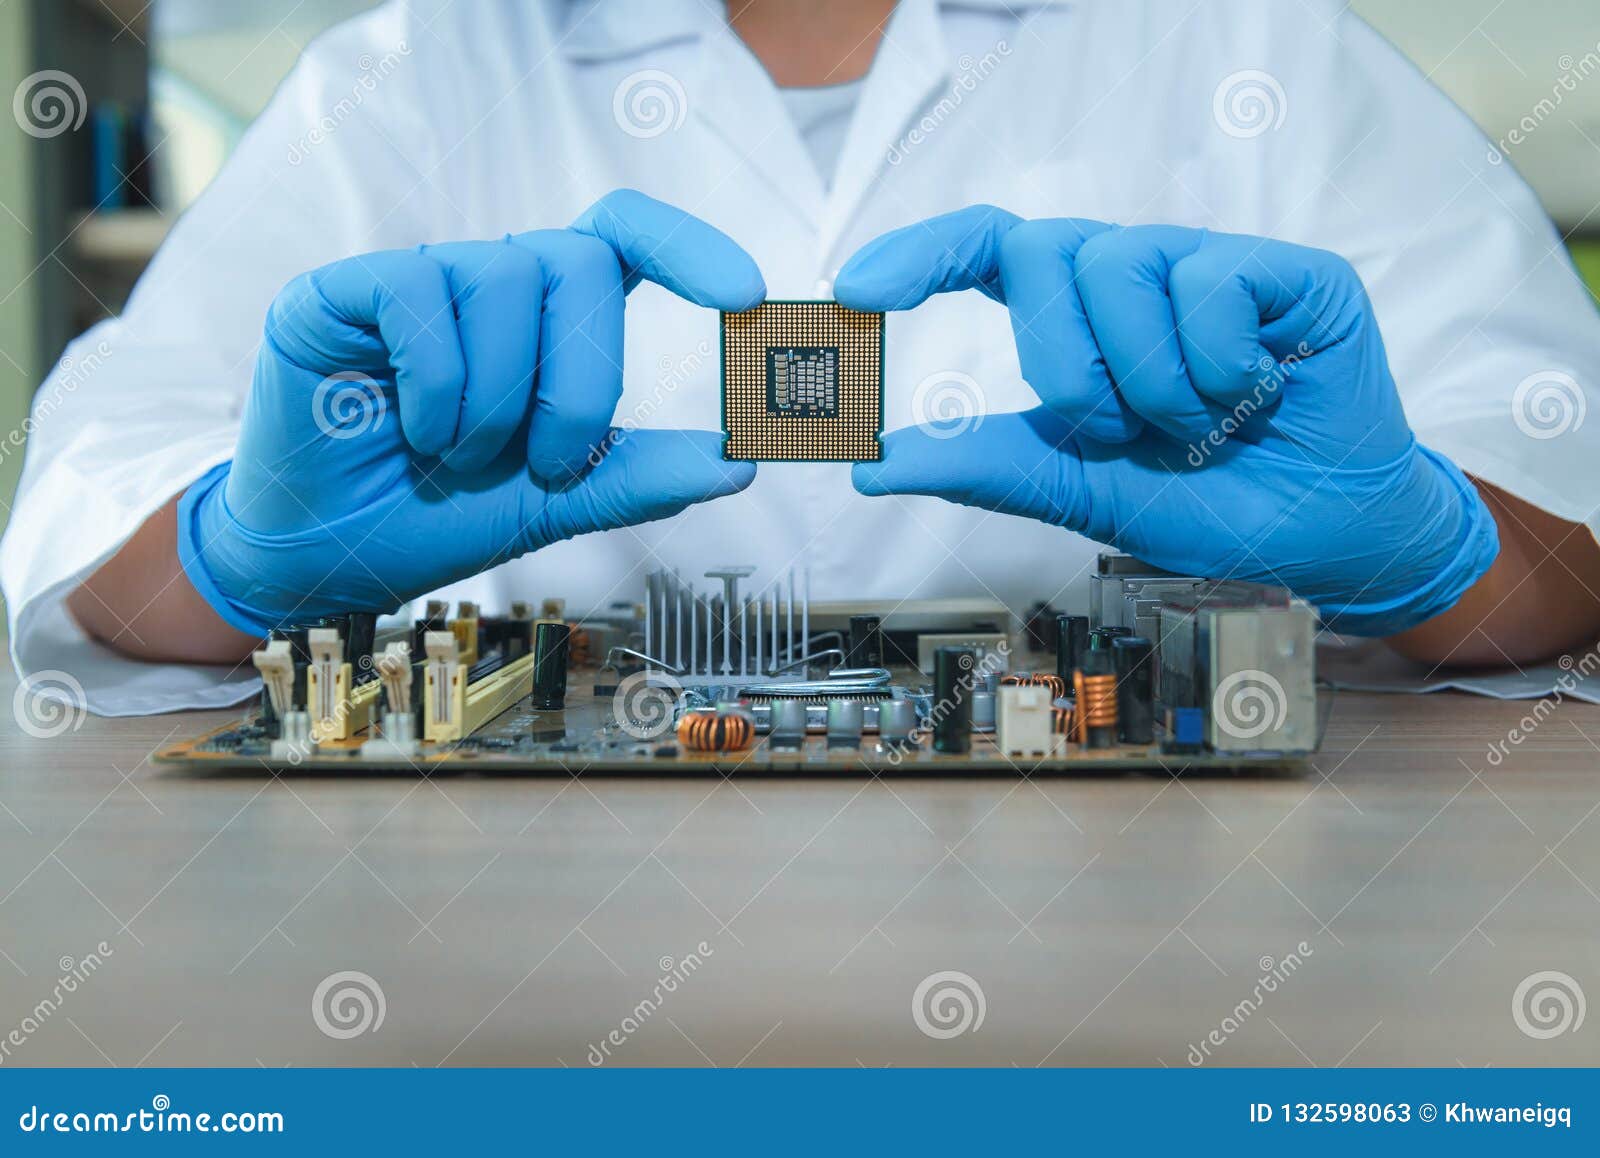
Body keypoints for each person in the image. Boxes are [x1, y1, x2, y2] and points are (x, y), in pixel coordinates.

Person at [4, 0, 1599, 716]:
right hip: (484, 930)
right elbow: (76, 540)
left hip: (1194, 924)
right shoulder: (407, 69)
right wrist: (235, 558)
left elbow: (1565, 528)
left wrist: (1435, 545)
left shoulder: (1264, 46)